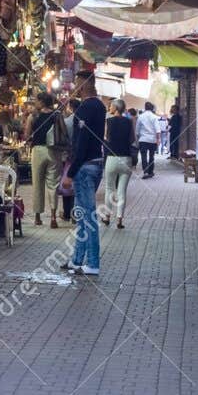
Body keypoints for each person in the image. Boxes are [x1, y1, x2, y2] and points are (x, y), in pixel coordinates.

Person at [64, 93, 106, 276]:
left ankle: (93, 263)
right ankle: (77, 260)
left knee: (87, 216)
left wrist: (70, 172)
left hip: (84, 167)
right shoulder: (100, 107)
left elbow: (81, 143)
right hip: (96, 163)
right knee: (82, 215)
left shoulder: (84, 109)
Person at [26, 91, 67, 228]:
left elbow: (27, 135)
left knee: (37, 183)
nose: (35, 103)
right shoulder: (57, 115)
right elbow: (64, 133)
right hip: (54, 151)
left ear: (42, 102)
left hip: (38, 150)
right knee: (53, 184)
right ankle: (53, 217)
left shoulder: (33, 116)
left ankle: (37, 217)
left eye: (36, 101)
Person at [102, 98, 135, 229]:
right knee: (122, 191)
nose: (109, 108)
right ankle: (119, 219)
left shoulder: (108, 121)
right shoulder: (129, 121)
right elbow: (132, 139)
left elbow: (106, 138)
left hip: (112, 158)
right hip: (126, 158)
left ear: (115, 108)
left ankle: (107, 217)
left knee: (109, 189)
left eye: (111, 106)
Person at [57, 97, 78, 223]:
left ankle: (66, 213)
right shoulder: (84, 121)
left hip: (67, 156)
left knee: (66, 185)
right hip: (79, 157)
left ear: (70, 107)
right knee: (76, 185)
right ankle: (75, 213)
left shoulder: (66, 121)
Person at [136, 101, 161, 178]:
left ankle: (145, 172)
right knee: (151, 156)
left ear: (145, 108)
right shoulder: (154, 117)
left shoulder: (140, 116)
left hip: (143, 139)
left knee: (143, 156)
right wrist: (158, 140)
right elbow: (158, 130)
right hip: (152, 140)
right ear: (152, 108)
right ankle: (151, 171)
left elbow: (137, 130)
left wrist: (138, 138)